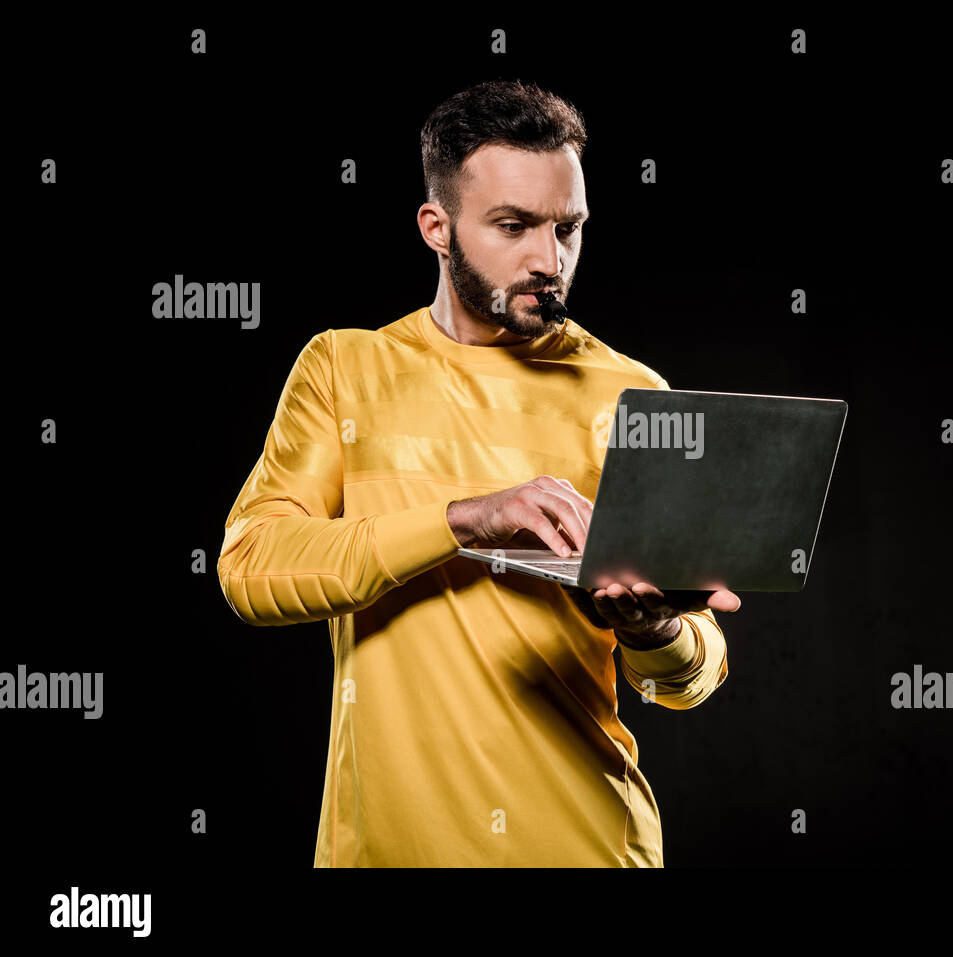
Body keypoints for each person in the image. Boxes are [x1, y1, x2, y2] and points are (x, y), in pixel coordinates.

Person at [217, 79, 740, 867]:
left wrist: (655, 632)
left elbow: (688, 678)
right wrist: (463, 521)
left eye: (569, 228)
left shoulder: (634, 395)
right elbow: (251, 569)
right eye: (513, 226)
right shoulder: (342, 369)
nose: (548, 259)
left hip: (590, 847)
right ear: (437, 226)